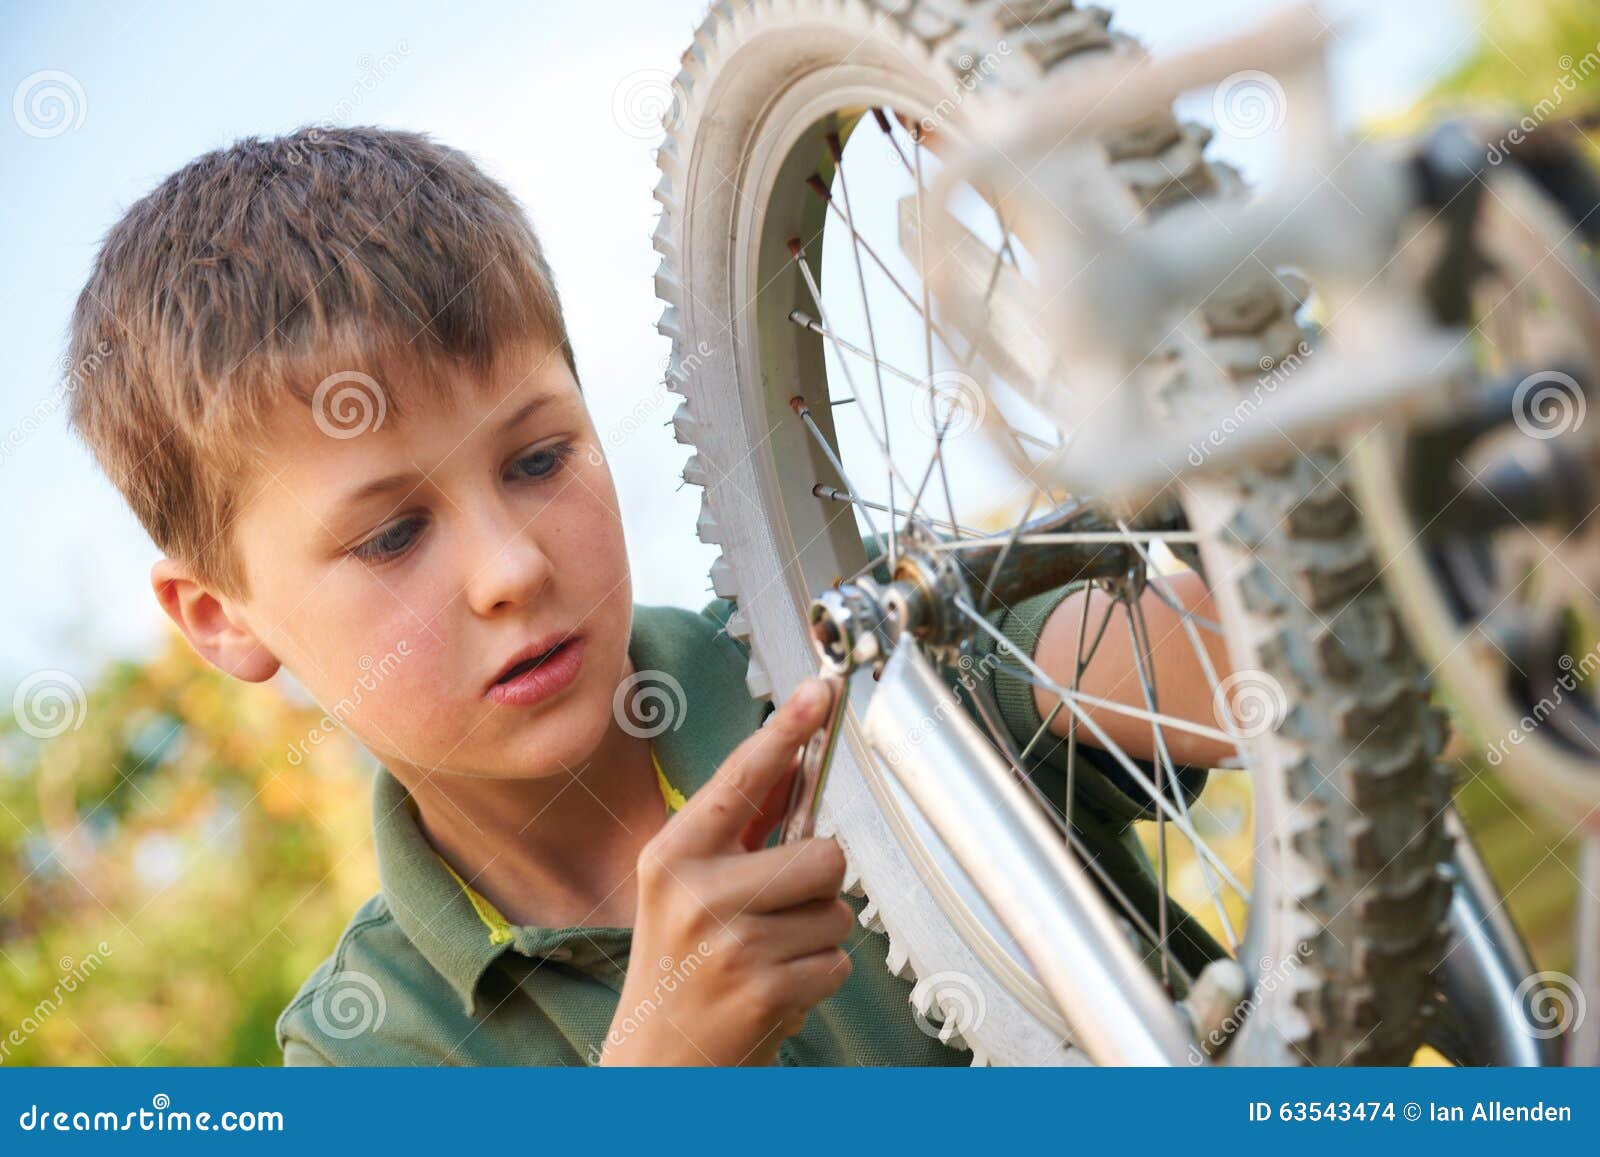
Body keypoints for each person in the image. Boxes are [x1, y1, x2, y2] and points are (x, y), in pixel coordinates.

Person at [64, 126, 1230, 1066]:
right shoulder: (370, 1044)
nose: (511, 567)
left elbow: (1217, 659)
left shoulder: (857, 645)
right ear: (221, 617)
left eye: (536, 459)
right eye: (390, 533)